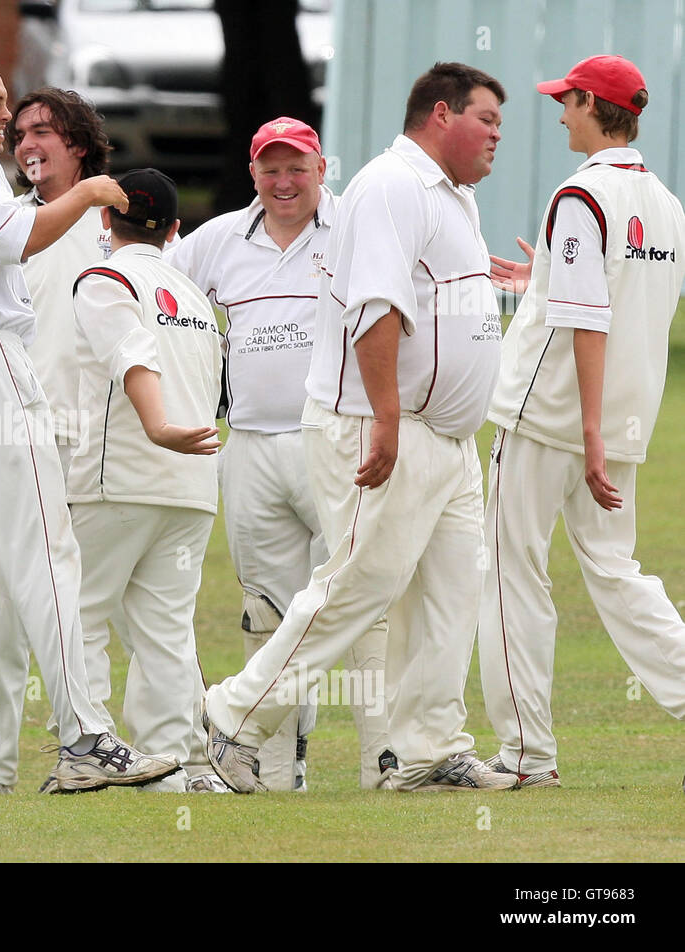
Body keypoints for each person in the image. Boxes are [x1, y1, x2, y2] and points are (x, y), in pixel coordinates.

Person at [201, 62, 519, 793]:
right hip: (382, 427)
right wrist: (384, 419)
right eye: (488, 120)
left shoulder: (455, 198)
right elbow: (374, 310)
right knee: (358, 583)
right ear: (442, 115)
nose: (498, 136)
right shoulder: (390, 186)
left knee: (450, 591)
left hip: (445, 438)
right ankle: (232, 717)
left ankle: (428, 750)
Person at [0, 53, 179, 795]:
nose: (2, 119)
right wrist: (84, 194)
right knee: (46, 551)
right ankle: (86, 736)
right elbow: (9, 243)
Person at [478, 55, 685, 788]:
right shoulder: (665, 203)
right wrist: (543, 285)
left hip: (552, 419)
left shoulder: (581, 195)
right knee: (616, 572)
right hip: (623, 419)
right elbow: (625, 298)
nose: (560, 112)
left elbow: (589, 319)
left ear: (593, 105)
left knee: (509, 574)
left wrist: (588, 433)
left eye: (566, 101)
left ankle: (527, 755)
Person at [168, 117, 392, 791]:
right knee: (266, 609)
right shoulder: (217, 241)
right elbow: (156, 294)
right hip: (251, 445)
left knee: (357, 601)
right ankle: (266, 771)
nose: (285, 182)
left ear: (323, 166)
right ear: (252, 172)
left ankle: (382, 762)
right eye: (271, 169)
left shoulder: (359, 228)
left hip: (338, 440)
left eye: (297, 168)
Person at [0, 86, 113, 796]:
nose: (27, 142)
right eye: (19, 131)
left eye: (45, 131)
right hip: (12, 438)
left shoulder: (116, 224)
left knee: (88, 613)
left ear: (79, 143)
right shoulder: (7, 226)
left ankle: (92, 752)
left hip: (99, 452)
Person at [66, 168, 224, 793]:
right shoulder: (192, 295)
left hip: (121, 478)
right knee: (165, 629)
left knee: (79, 615)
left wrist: (156, 425)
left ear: (106, 220)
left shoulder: (103, 276)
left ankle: (87, 746)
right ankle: (172, 767)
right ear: (175, 231)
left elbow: (132, 351)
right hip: (190, 487)